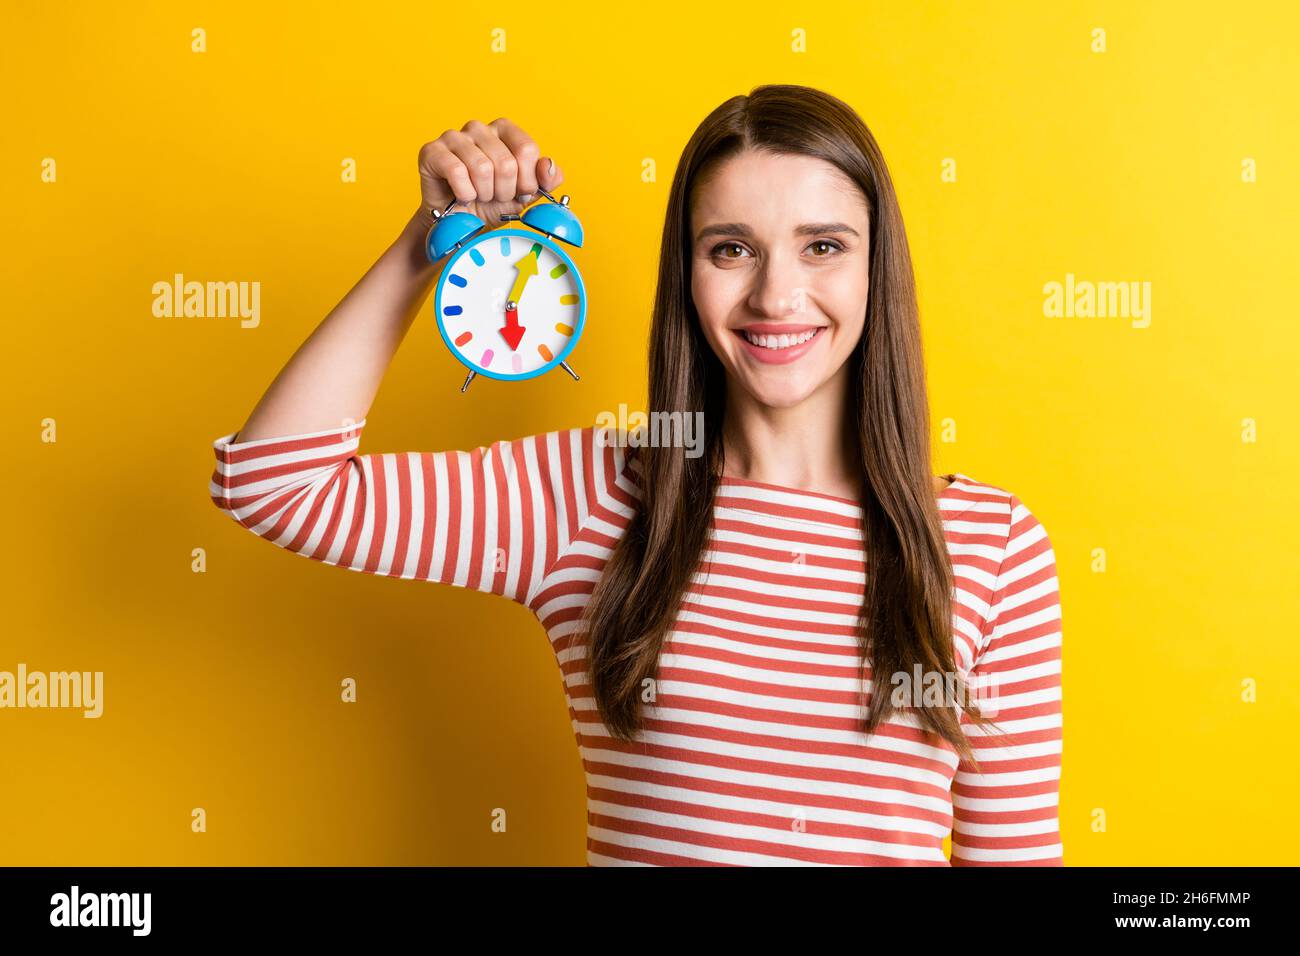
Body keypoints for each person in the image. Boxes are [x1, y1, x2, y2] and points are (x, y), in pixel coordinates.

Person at [209, 84, 1064, 866]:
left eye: (823, 247)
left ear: (877, 269)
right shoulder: (594, 495)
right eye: (732, 249)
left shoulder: (992, 547)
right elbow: (274, 485)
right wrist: (429, 244)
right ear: (686, 276)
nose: (776, 296)